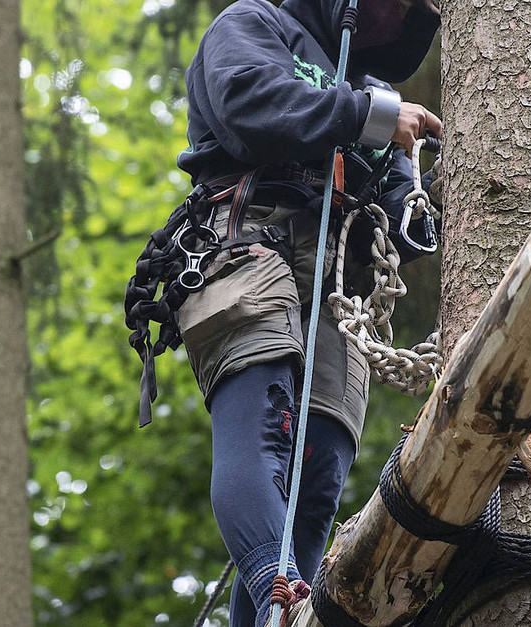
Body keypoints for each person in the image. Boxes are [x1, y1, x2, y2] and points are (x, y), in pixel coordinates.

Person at [174, 0, 442, 624]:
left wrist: (411, 212)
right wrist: (366, 116)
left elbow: (399, 192)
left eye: (407, 13)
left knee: (318, 469)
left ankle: (276, 611)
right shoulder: (255, 24)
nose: (395, 18)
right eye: (390, 4)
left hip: (337, 286)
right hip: (248, 238)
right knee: (264, 422)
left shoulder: (376, 91)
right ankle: (278, 583)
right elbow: (249, 106)